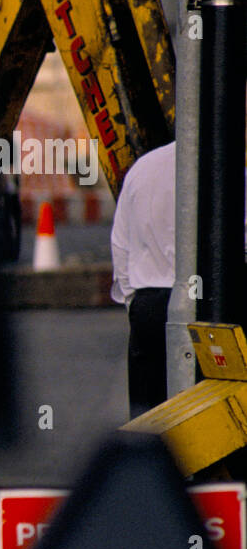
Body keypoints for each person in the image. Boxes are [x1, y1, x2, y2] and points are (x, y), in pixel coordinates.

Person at [110, 141, 175, 418]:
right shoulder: (224, 165)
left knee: (147, 417)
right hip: (205, 301)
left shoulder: (143, 167)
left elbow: (120, 243)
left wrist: (133, 301)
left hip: (148, 304)